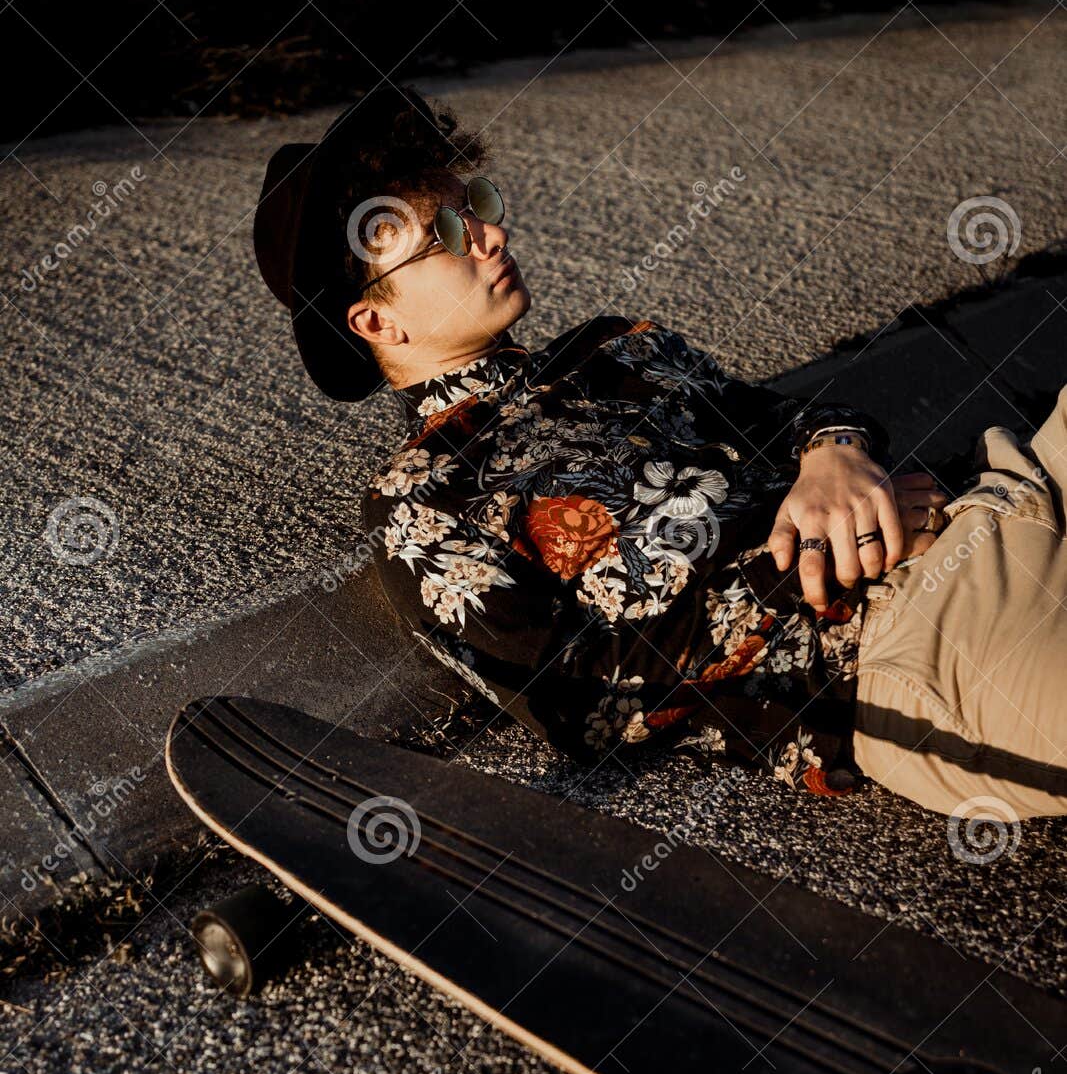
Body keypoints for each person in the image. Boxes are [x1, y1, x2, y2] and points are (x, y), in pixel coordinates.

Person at [253, 86, 1067, 817]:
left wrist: (838, 453)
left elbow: (788, 416)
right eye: (448, 233)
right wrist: (800, 558)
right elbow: (586, 701)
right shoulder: (421, 500)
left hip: (1006, 500)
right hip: (909, 642)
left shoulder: (619, 346)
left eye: (479, 205)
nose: (491, 233)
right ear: (375, 322)